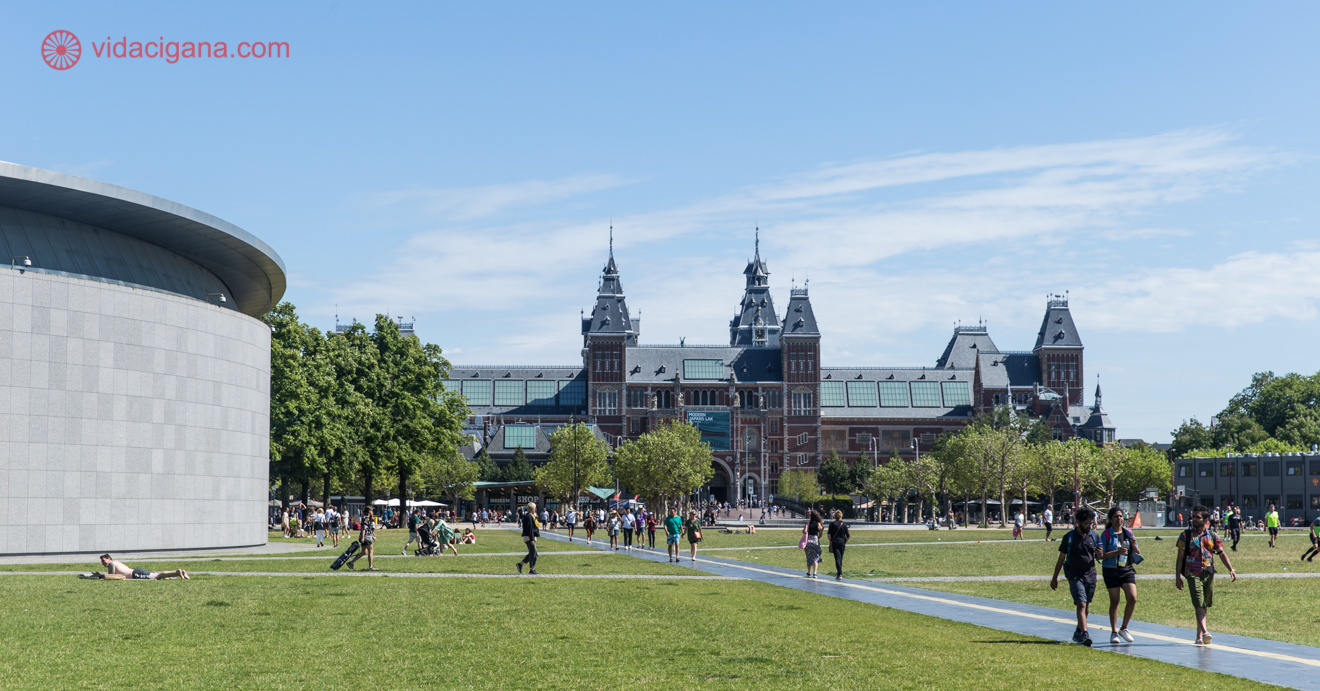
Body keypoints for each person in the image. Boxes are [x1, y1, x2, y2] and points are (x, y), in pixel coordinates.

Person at [1175, 505, 1237, 645]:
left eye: (1198, 517)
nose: (1194, 519)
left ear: (1206, 520)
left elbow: (1221, 553)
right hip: (1192, 573)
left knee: (1204, 605)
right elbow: (1180, 557)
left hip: (1208, 572)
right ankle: (1205, 631)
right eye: (1193, 517)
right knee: (1198, 604)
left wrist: (1231, 569)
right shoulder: (1185, 535)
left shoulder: (1212, 536)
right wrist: (1178, 577)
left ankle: (1199, 637)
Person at [1050, 506, 1102, 646]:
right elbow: (1061, 559)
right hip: (1075, 575)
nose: (1089, 526)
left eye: (1091, 523)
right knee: (1081, 603)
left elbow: (1099, 557)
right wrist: (1054, 578)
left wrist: (1099, 553)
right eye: (1086, 523)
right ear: (1078, 521)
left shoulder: (1094, 536)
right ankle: (1085, 634)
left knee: (1086, 605)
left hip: (1090, 574)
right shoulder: (1069, 537)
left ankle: (1078, 631)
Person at [1099, 507, 1140, 645]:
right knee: (1115, 601)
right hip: (1111, 570)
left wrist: (1134, 545)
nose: (1119, 519)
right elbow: (1100, 556)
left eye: (1121, 516)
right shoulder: (1105, 535)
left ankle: (1124, 628)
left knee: (1132, 598)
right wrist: (1116, 552)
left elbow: (1137, 551)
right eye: (1116, 516)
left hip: (1127, 569)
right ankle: (1114, 632)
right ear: (1111, 519)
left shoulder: (1128, 532)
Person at [96, 554, 189, 580]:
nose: (103, 563)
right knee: (157, 575)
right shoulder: (115, 562)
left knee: (157, 576)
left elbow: (111, 576)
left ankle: (176, 572)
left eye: (103, 561)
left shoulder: (112, 564)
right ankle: (181, 573)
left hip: (136, 574)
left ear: (109, 559)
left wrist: (100, 576)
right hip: (136, 572)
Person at [517, 502, 541, 574]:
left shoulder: (531, 516)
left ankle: (520, 564)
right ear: (533, 509)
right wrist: (532, 539)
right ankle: (531, 569)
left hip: (529, 536)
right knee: (534, 554)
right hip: (529, 537)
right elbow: (530, 528)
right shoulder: (529, 517)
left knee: (532, 553)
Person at [827, 509, 851, 581]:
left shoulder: (832, 524)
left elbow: (829, 535)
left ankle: (839, 573)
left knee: (837, 558)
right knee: (841, 558)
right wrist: (845, 542)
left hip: (835, 542)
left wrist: (831, 541)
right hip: (842, 543)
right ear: (841, 516)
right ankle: (839, 572)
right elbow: (848, 536)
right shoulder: (844, 524)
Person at [802, 510, 824, 579]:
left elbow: (805, 531)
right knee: (815, 557)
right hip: (815, 540)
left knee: (809, 557)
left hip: (808, 541)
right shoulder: (818, 524)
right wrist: (817, 537)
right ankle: (815, 573)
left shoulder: (808, 523)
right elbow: (820, 534)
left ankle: (809, 572)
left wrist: (804, 530)